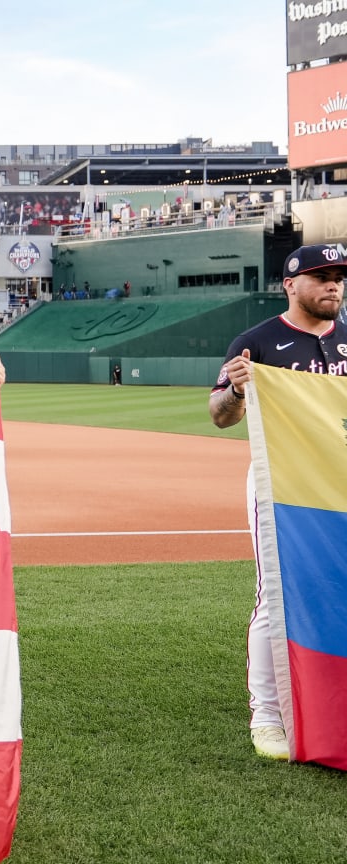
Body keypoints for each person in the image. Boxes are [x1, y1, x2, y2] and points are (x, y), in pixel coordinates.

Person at [209, 243, 347, 761]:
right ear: (290, 284)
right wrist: (239, 392)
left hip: (342, 483)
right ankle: (266, 714)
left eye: (338, 276)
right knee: (277, 598)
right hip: (283, 487)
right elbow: (220, 414)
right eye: (321, 276)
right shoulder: (257, 342)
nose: (333, 284)